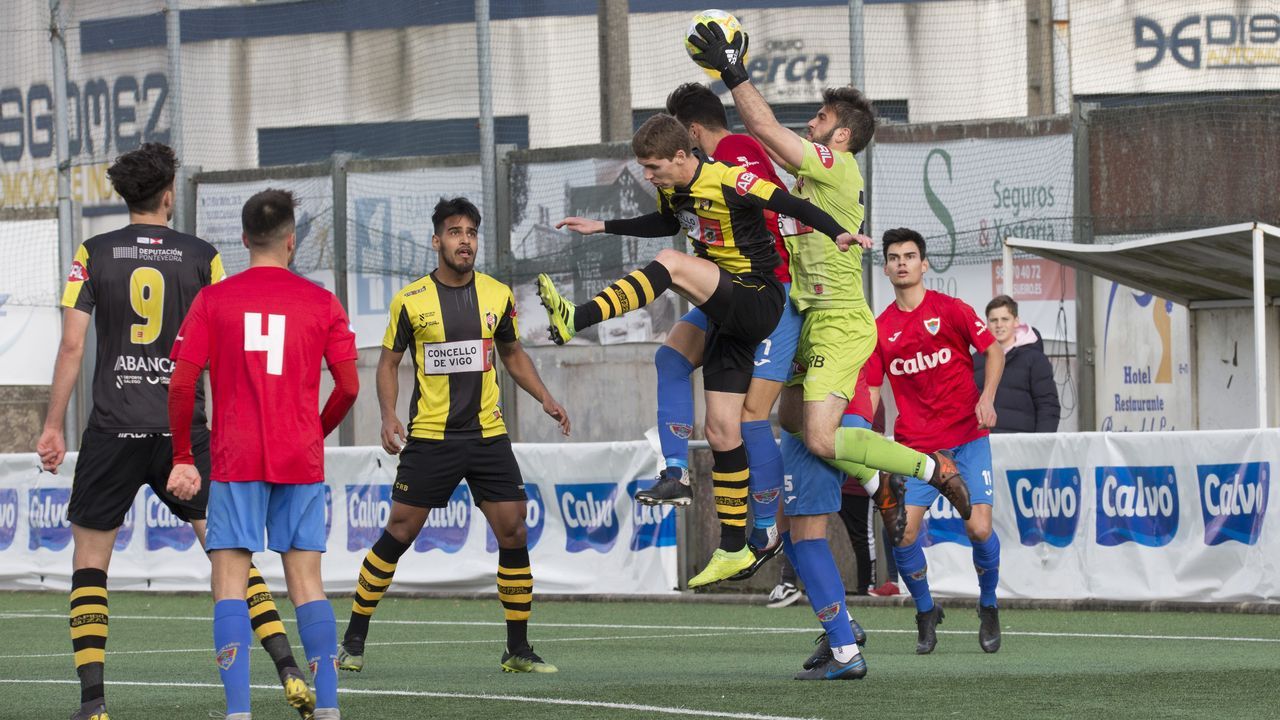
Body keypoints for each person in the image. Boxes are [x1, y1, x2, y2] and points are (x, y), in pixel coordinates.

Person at [688, 23, 974, 680]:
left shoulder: (836, 165)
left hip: (840, 325)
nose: (808, 125)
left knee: (818, 435)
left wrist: (733, 73)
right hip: (803, 327)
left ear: (839, 135)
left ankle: (926, 470)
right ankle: (841, 640)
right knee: (803, 515)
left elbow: (768, 132)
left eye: (818, 117)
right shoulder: (800, 185)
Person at [35, 145, 312, 720]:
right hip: (183, 432)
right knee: (229, 553)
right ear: (167, 195)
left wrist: (52, 426)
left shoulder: (92, 253)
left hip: (113, 429)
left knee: (90, 565)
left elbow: (71, 346)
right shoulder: (204, 257)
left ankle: (93, 705)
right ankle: (287, 668)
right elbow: (226, 348)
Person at [536, 113, 867, 589]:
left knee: (672, 263)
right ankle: (733, 546)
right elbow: (666, 220)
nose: (647, 176)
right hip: (726, 311)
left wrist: (837, 231)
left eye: (653, 167)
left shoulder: (729, 178)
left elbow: (788, 200)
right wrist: (603, 225)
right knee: (720, 427)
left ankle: (577, 318)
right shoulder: (674, 188)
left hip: (759, 297)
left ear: (680, 156)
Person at [338, 197, 570, 675]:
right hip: (431, 439)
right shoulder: (410, 300)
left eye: (471, 232)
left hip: (488, 436)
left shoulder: (497, 295)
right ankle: (354, 639)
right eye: (455, 231)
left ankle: (518, 650)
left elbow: (512, 354)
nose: (465, 240)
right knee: (399, 532)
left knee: (514, 530)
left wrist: (545, 397)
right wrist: (387, 415)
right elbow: (387, 363)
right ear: (437, 240)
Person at [166, 189, 360, 720]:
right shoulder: (321, 302)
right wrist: (313, 433)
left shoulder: (214, 300)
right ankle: (326, 709)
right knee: (307, 584)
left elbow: (182, 384)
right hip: (299, 458)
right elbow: (347, 387)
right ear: (292, 242)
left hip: (235, 458)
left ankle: (238, 714)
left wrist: (184, 453)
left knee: (229, 580)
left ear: (245, 239)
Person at [636, 83, 801, 580]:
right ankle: (676, 473)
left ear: (689, 133)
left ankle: (767, 528)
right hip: (723, 295)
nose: (655, 170)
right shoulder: (685, 184)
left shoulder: (732, 154)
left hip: (766, 297)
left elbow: (772, 205)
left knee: (750, 421)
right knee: (671, 359)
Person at [865, 228, 1005, 656]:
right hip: (917, 451)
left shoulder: (952, 310)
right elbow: (871, 392)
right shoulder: (880, 328)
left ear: (924, 264)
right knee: (902, 535)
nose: (902, 262)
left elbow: (994, 351)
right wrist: (855, 437)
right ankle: (926, 611)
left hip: (967, 439)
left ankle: (989, 605)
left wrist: (987, 397)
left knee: (979, 527)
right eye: (894, 257)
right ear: (886, 267)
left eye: (910, 256)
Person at [974, 295, 1060, 433]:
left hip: (1023, 447)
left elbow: (1048, 406)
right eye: (994, 320)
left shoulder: (1035, 359)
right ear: (987, 324)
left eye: (1005, 319)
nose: (999, 325)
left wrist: (1041, 445)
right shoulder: (975, 361)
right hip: (984, 445)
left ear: (1016, 321)